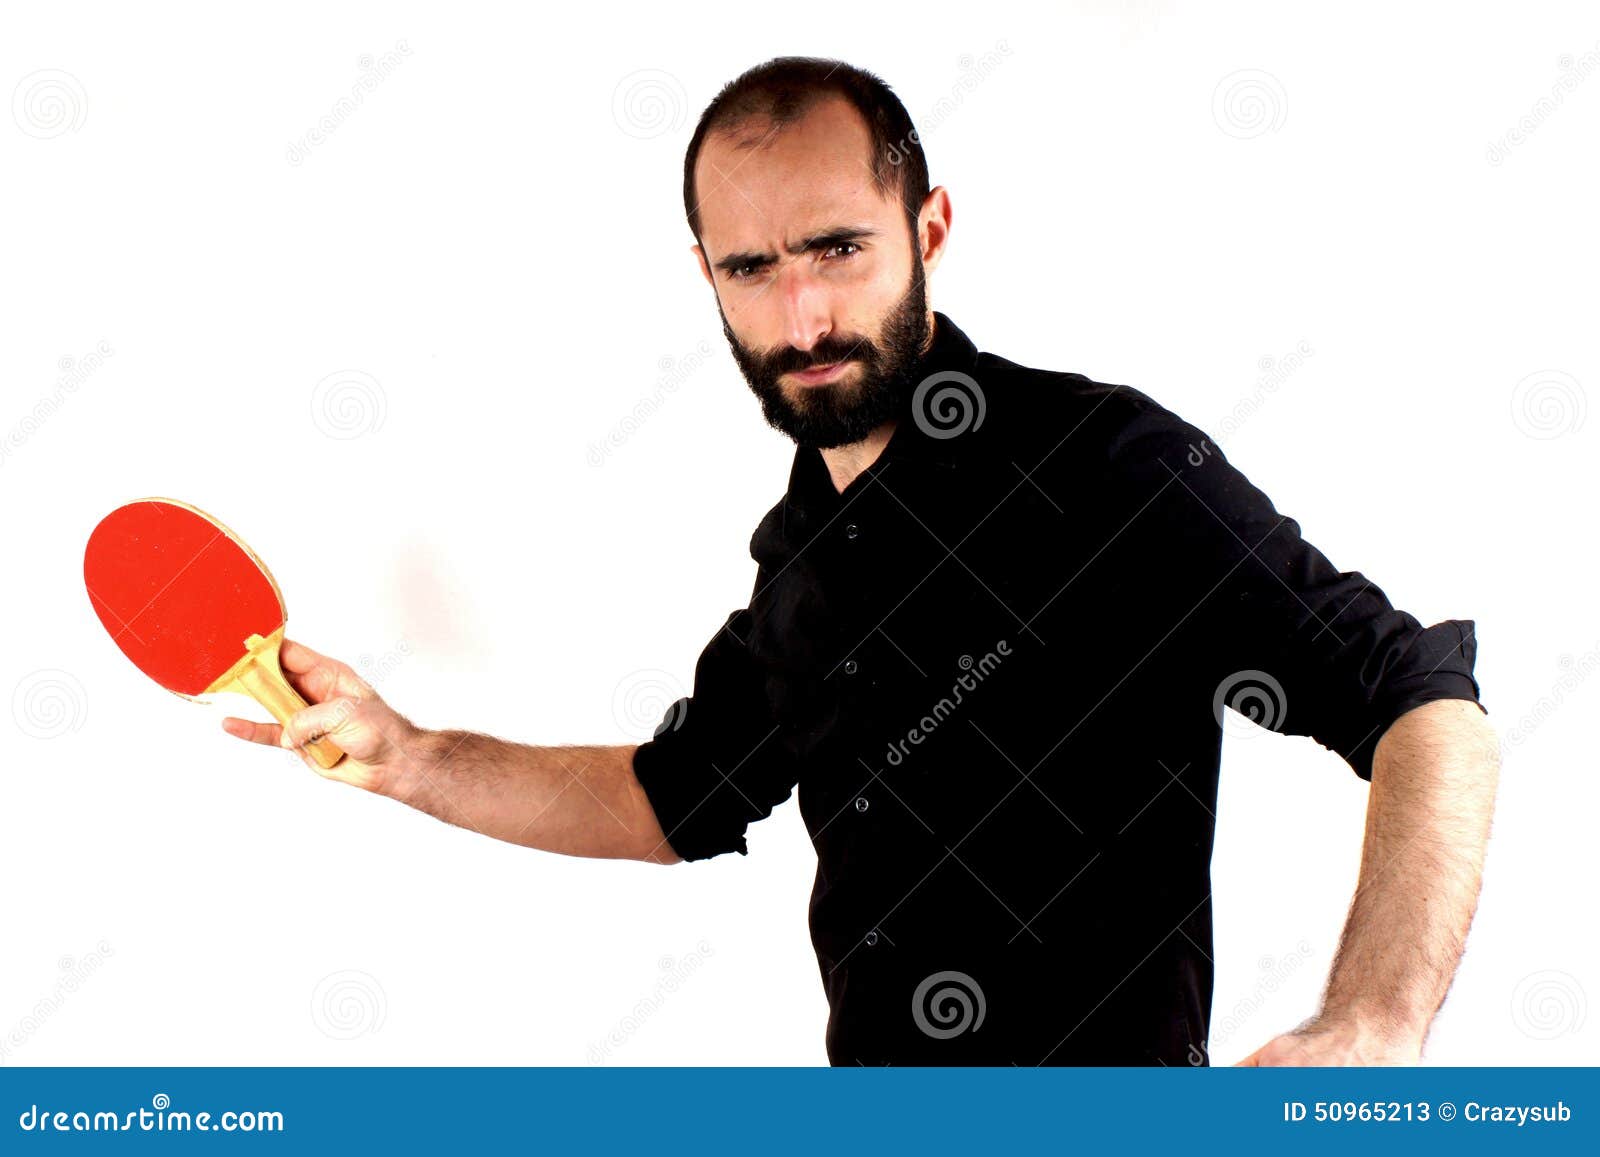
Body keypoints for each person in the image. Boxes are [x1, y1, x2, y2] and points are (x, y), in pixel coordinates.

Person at [223, 56, 1501, 1067]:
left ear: (929, 228)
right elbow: (672, 797)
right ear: (707, 278)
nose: (805, 317)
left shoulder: (1105, 463)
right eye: (753, 267)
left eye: (838, 248)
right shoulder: (798, 558)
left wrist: (1372, 1026)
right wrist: (408, 754)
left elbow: (1416, 698)